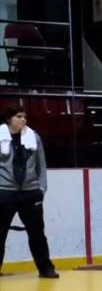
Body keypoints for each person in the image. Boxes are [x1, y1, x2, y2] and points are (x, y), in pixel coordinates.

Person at [0, 107, 57, 278]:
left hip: (31, 192)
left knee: (37, 233)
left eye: (25, 117)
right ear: (9, 119)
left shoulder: (34, 137)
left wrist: (42, 189)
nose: (23, 120)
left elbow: (42, 165)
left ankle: (46, 268)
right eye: (19, 117)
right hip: (4, 192)